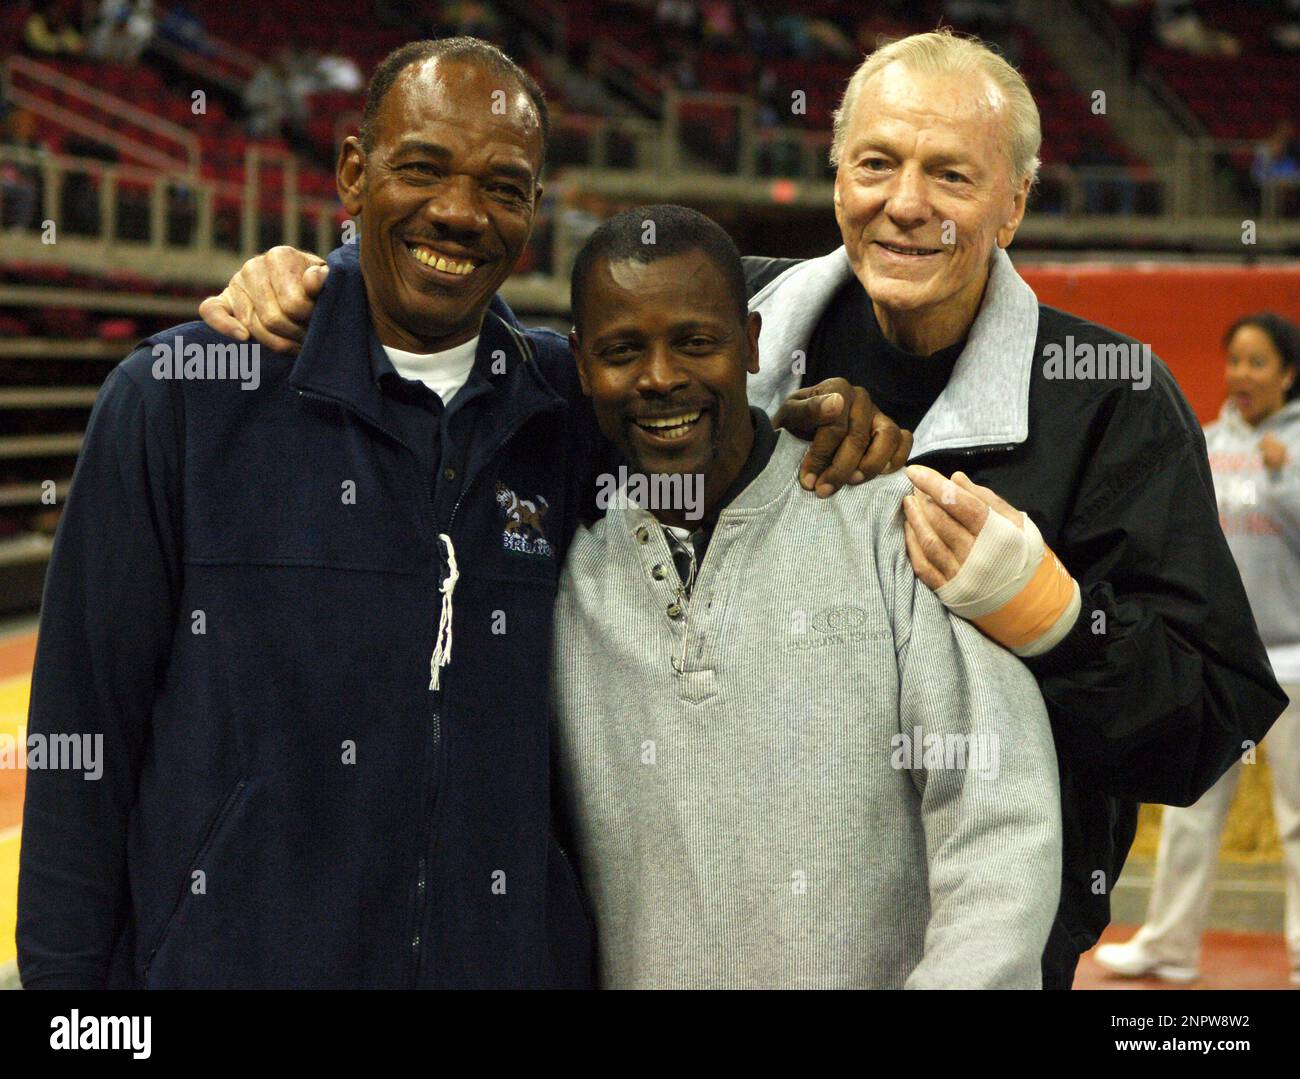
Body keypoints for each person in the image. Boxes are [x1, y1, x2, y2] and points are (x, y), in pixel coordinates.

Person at [213, 30, 1287, 990]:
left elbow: (1208, 726)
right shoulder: (718, 313)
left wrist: (1054, 617)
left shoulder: (1110, 397)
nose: (905, 200)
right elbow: (532, 370)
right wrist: (337, 284)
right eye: (876, 162)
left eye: (951, 173)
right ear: (833, 179)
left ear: (1014, 200)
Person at [18, 36, 886, 990]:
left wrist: (822, 418)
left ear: (532, 212)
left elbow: (707, 414)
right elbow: (82, 736)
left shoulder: (569, 406)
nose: (459, 213)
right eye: (422, 169)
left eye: (503, 186)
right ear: (353, 173)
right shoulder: (183, 399)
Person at [554, 205, 1062, 988]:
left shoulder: (889, 522)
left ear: (753, 343)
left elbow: (997, 816)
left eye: (696, 341)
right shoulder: (558, 561)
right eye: (624, 351)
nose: (661, 377)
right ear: (581, 366)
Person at [1096, 313, 1300, 986]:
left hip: (1297, 663)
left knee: (1297, 819)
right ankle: (1170, 945)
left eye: (1258, 362)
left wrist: (1284, 481)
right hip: (1222, 663)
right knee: (1191, 809)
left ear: (1288, 373)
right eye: (1235, 360)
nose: (1243, 374)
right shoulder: (1204, 442)